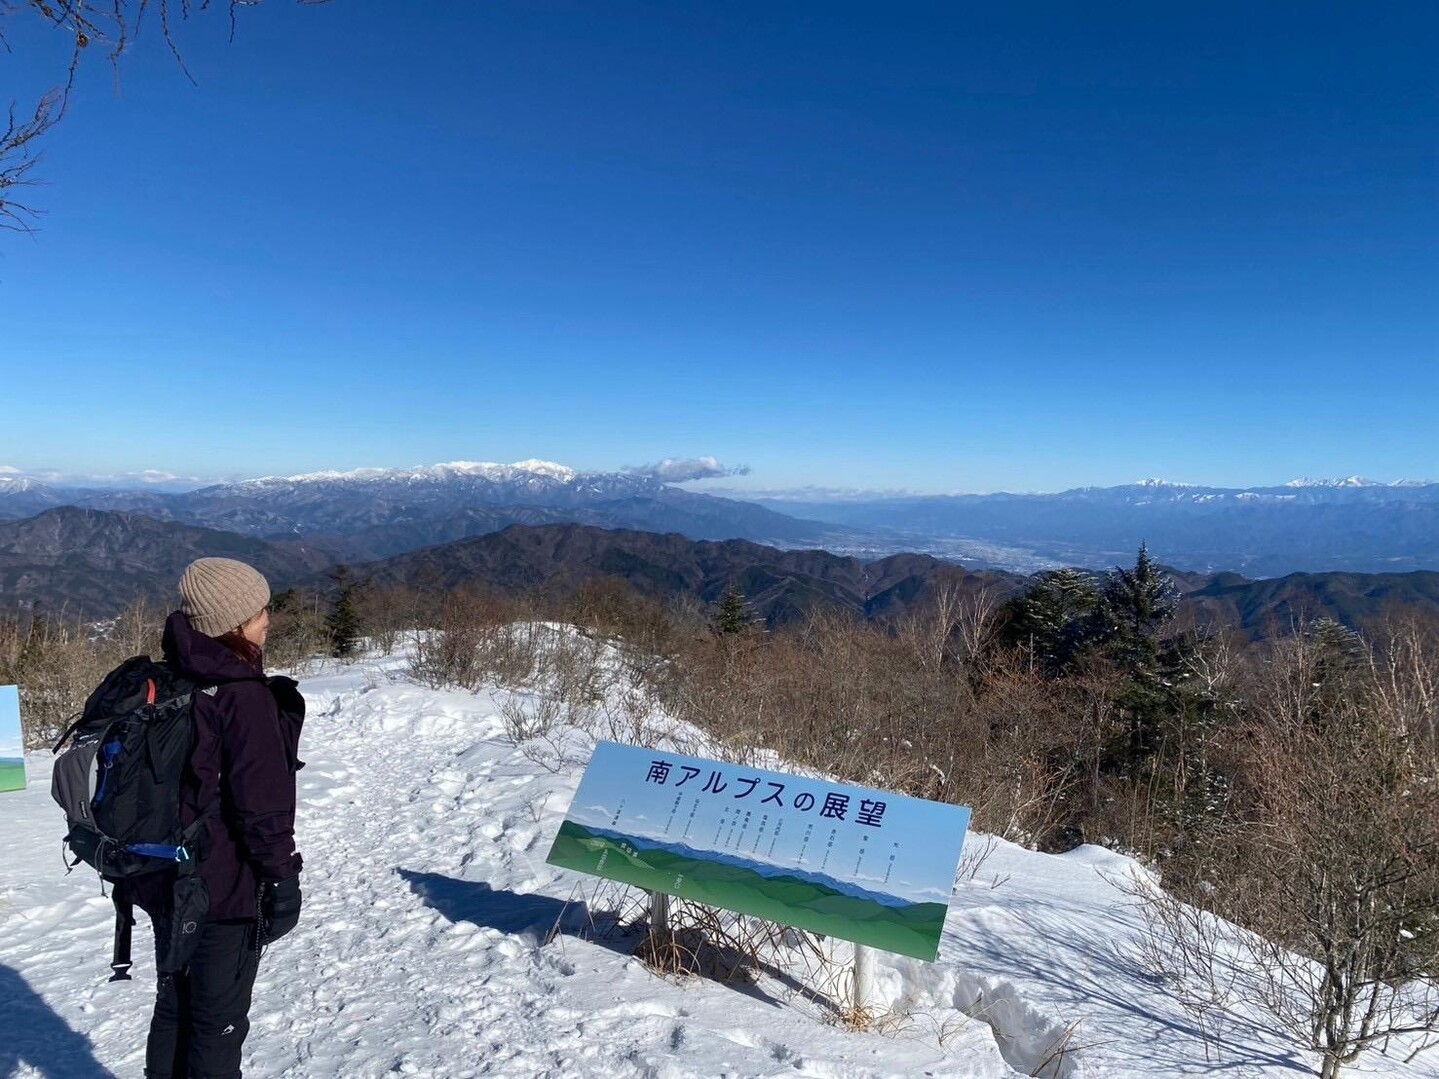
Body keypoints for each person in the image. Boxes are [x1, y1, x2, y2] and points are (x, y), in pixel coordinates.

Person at [127, 557, 306, 1079]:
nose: (268, 617)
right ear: (232, 623)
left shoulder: (175, 673)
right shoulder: (242, 696)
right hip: (224, 890)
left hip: (168, 876)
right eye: (258, 610)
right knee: (217, 1023)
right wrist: (280, 879)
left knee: (174, 1006)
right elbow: (262, 807)